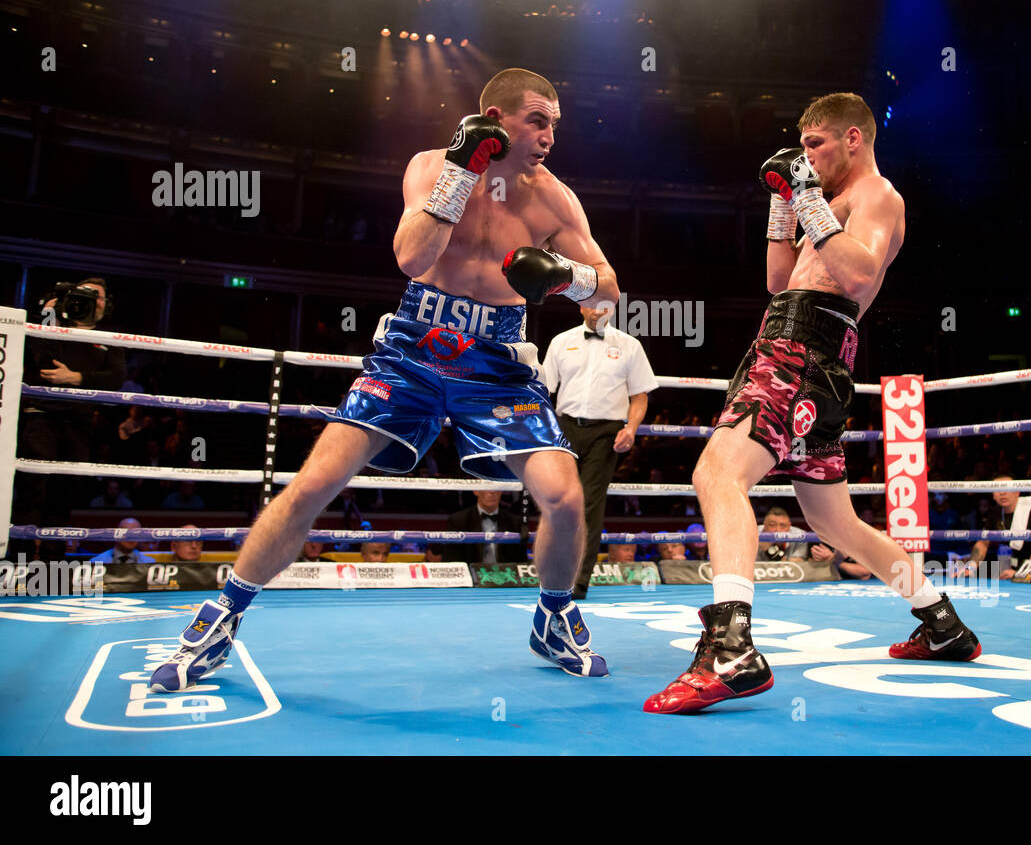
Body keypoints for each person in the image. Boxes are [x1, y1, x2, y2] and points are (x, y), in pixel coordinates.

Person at [151, 68, 621, 692]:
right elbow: (411, 257)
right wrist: (463, 171)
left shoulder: (555, 198)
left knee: (563, 497)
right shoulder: (432, 165)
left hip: (499, 361)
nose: (550, 134)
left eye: (555, 123)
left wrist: (564, 276)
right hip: (414, 349)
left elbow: (611, 290)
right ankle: (223, 615)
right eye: (538, 120)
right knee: (316, 481)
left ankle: (554, 615)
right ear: (496, 118)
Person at [645, 93, 979, 715]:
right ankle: (941, 623)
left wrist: (807, 199)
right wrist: (784, 202)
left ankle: (730, 647)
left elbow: (855, 275)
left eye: (814, 145)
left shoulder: (878, 195)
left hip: (802, 349)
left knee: (716, 472)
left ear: (853, 137)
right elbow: (777, 280)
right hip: (803, 347)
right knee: (835, 523)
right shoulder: (823, 202)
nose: (806, 156)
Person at [541, 303, 657, 598]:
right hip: (565, 427)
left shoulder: (629, 345)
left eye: (606, 305)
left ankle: (578, 581)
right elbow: (545, 392)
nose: (599, 310)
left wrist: (630, 429)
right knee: (557, 499)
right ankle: (550, 575)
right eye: (593, 304)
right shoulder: (561, 342)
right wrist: (543, 431)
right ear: (581, 307)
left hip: (606, 433)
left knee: (590, 504)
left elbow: (640, 396)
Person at [13, 277, 124, 557]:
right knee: (31, 493)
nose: (92, 300)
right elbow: (43, 365)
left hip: (79, 424)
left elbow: (115, 378)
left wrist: (76, 377)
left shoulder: (110, 338)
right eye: (85, 294)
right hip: (42, 418)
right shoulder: (55, 327)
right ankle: (15, 563)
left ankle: (51, 569)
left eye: (97, 295)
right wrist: (49, 316)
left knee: (63, 499)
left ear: (106, 303)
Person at [965, 476, 1031, 580]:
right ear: (993, 495)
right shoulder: (996, 512)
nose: (1002, 493)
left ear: (1017, 492)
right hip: (1016, 569)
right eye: (998, 490)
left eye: (1007, 488)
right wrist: (970, 567)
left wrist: (1025, 573)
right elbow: (983, 542)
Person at [446, 489, 528, 563]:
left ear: (501, 491)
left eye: (496, 487)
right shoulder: (458, 520)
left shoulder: (515, 522)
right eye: (487, 486)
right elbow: (453, 559)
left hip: (505, 575)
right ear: (476, 491)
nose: (492, 492)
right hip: (471, 575)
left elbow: (521, 560)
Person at [88, 519, 156, 564]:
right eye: (126, 533)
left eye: (135, 533)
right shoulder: (97, 562)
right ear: (117, 534)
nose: (131, 537)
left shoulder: (149, 563)